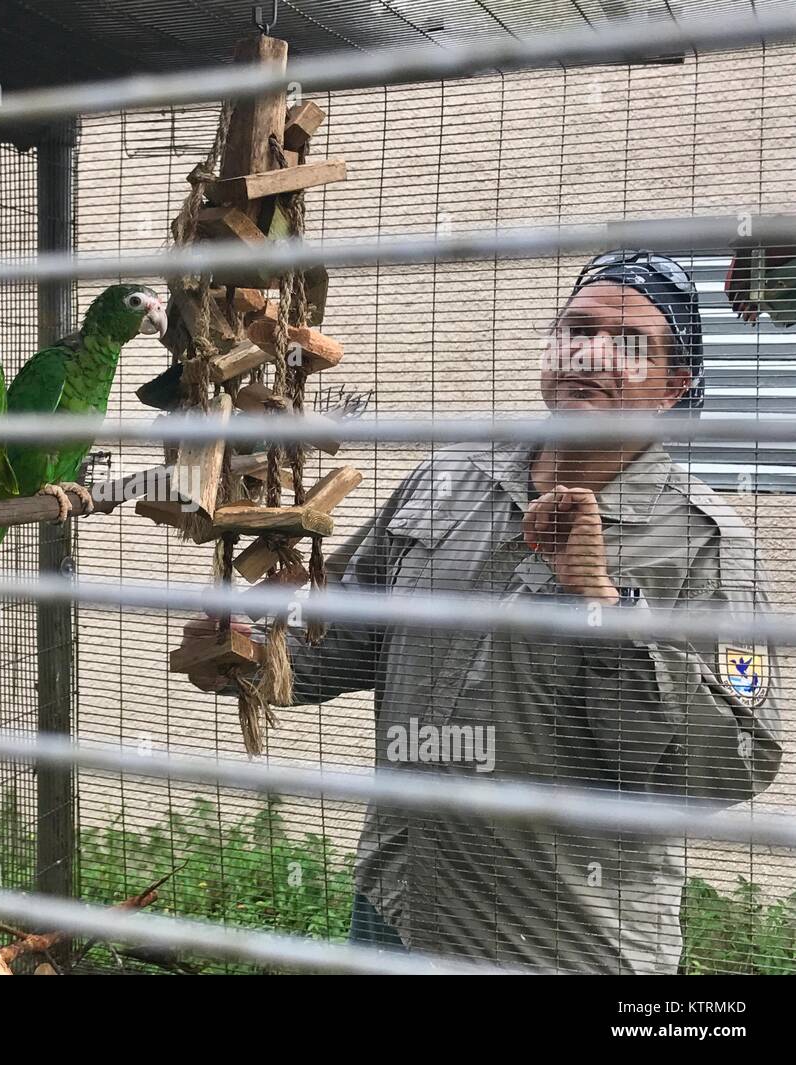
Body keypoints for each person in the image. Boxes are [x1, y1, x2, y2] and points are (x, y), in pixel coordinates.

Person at [183, 250, 784, 973]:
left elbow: (728, 767)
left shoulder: (705, 547)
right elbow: (344, 636)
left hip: (565, 943)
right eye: (576, 329)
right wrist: (247, 652)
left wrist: (598, 601)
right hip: (400, 908)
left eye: (629, 343)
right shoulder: (451, 477)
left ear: (673, 386)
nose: (590, 353)